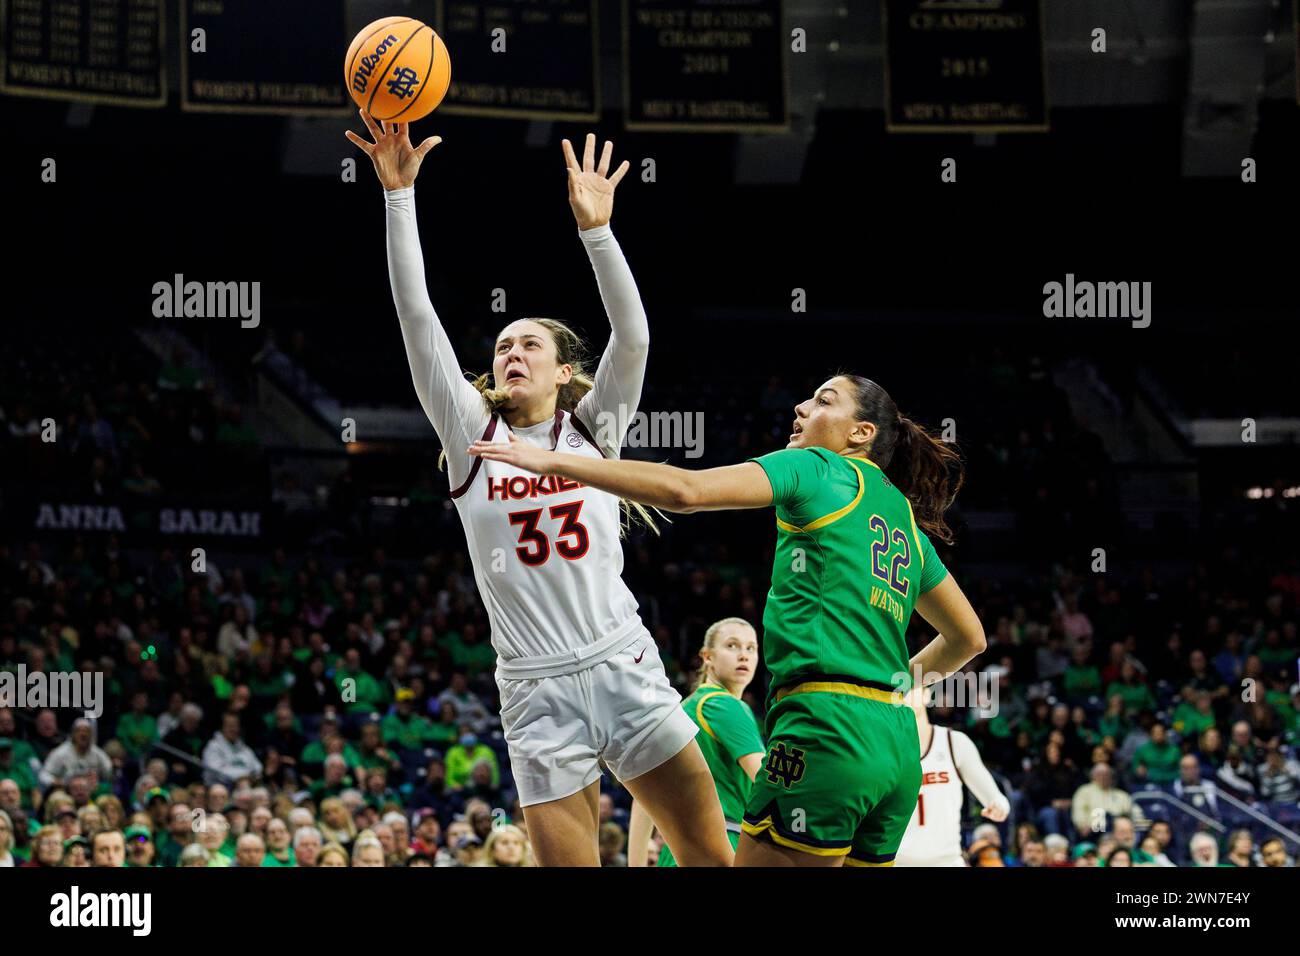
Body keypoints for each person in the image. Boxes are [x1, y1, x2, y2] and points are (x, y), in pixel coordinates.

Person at [346, 112, 728, 866]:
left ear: (562, 371)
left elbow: (636, 337)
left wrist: (597, 232)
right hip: (534, 687)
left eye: (530, 344)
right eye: (502, 345)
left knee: (711, 858)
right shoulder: (470, 435)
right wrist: (397, 196)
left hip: (622, 662)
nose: (512, 352)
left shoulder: (593, 434)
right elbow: (417, 320)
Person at [471, 373, 988, 866]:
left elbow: (685, 492)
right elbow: (968, 638)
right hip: (896, 746)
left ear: (860, 433)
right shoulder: (901, 516)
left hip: (826, 726)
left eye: (824, 401)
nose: (802, 408)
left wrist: (552, 463)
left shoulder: (816, 466)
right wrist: (896, 688)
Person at [628, 618, 765, 867]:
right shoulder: (726, 705)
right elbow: (768, 781)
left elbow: (644, 798)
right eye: (732, 646)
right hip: (724, 846)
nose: (743, 655)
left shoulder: (679, 711)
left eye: (751, 648)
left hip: (672, 853)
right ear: (707, 656)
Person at [896, 687, 1010, 866]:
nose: (904, 696)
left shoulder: (954, 742)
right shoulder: (885, 750)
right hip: (897, 862)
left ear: (926, 694)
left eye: (909, 688)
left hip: (948, 861)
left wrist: (999, 806)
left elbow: (995, 797)